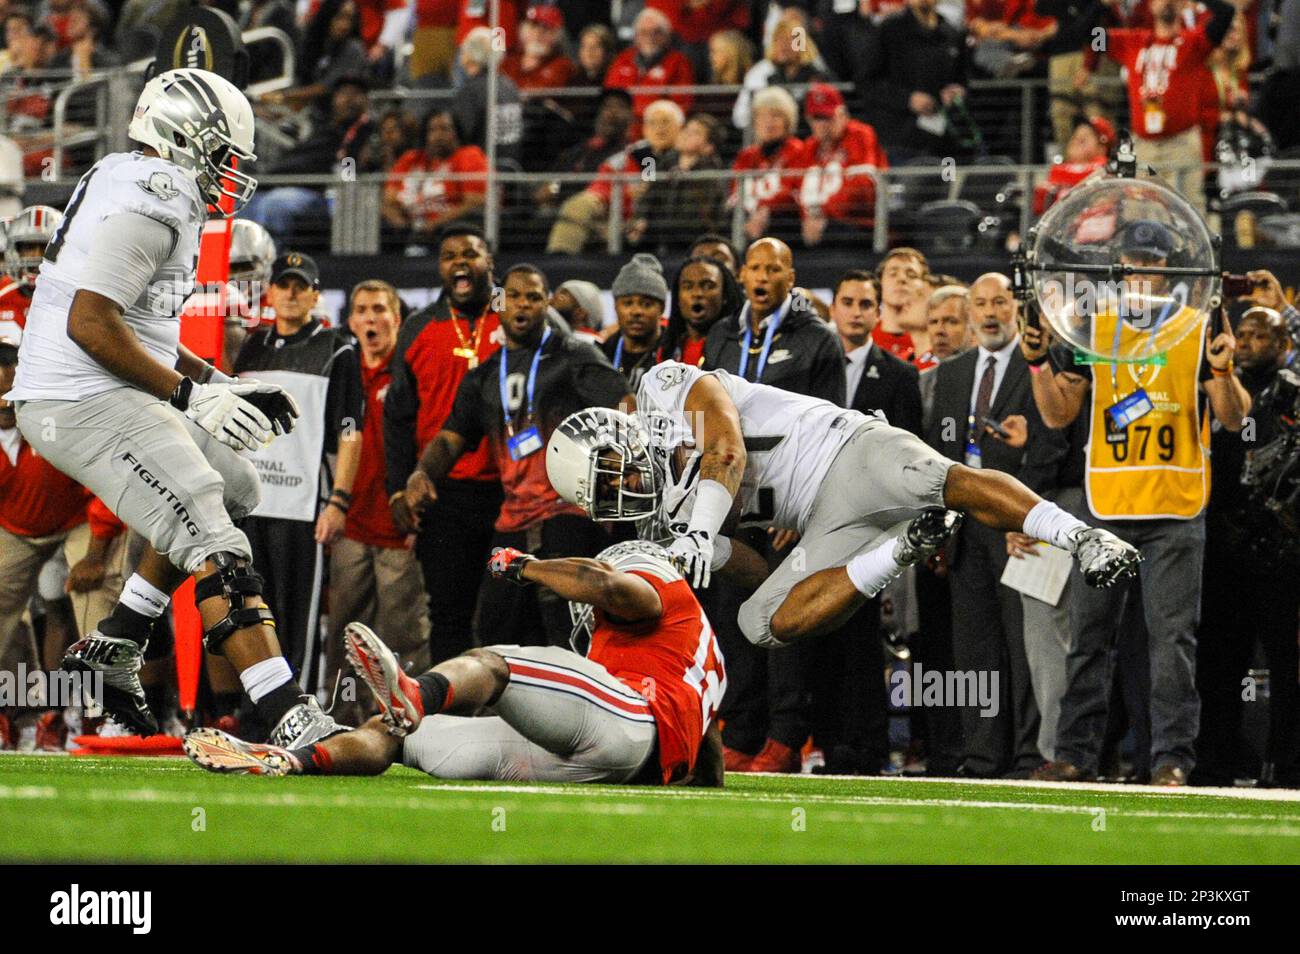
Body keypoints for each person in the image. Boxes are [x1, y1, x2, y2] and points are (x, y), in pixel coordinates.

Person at [2, 70, 341, 749]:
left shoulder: (134, 178)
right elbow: (90, 324)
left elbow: (141, 326)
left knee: (238, 488)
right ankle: (288, 715)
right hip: (78, 397)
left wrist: (216, 379)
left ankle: (121, 635)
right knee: (216, 539)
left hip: (102, 384)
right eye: (224, 153)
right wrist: (193, 397)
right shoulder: (153, 203)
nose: (232, 172)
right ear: (183, 137)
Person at [547, 355, 1142, 657]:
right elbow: (765, 574)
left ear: (619, 435)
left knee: (941, 478)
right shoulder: (665, 519)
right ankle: (900, 551)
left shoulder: (664, 387)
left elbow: (724, 451)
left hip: (847, 449)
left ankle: (1082, 537)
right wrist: (718, 550)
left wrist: (700, 532)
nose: (624, 487)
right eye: (607, 493)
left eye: (614, 470)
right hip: (822, 522)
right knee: (758, 623)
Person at [184, 540, 727, 787]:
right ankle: (296, 762)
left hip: (629, 715)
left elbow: (605, 584)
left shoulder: (664, 591)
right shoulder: (704, 658)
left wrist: (525, 567)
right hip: (621, 767)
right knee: (397, 736)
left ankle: (415, 694)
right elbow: (708, 757)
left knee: (492, 667)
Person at [1024, 218, 1251, 786]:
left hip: (1175, 506)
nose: (1141, 275)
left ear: (1170, 273)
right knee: (1088, 640)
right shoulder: (1092, 331)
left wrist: (1222, 370)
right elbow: (1058, 414)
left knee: (1172, 643)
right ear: (1118, 272)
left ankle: (1172, 759)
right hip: (1107, 503)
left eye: (1153, 266)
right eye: (1133, 265)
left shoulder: (1197, 329)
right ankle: (1074, 755)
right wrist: (1035, 363)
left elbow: (1233, 416)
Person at [404, 264, 630, 648]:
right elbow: (450, 438)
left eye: (534, 296)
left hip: (569, 513)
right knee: (494, 630)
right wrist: (423, 473)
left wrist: (615, 471)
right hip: (513, 520)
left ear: (547, 304)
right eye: (515, 296)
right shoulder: (484, 376)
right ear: (499, 301)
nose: (523, 304)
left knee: (568, 632)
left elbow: (625, 406)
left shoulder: (574, 354)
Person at [925, 272, 1045, 778]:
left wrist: (1032, 513)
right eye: (981, 303)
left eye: (1000, 301)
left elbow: (1054, 440)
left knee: (1026, 645)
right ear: (970, 312)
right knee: (974, 648)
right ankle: (981, 754)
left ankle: (1029, 754)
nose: (991, 311)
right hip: (964, 529)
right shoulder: (950, 373)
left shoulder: (1038, 364)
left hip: (1020, 527)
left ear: (1016, 308)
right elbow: (934, 454)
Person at [385, 225, 502, 665]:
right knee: (448, 613)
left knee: (503, 612)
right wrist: (398, 488)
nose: (459, 263)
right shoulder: (418, 327)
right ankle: (453, 715)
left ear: (488, 259)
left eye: (470, 253)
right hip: (443, 494)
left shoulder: (516, 314)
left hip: (509, 494)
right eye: (449, 256)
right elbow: (397, 417)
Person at [1194, 305, 1299, 786]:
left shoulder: (1293, 393)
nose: (1250, 341)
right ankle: (1215, 762)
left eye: (1263, 335)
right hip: (1221, 540)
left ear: (1284, 345)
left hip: (1281, 547)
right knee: (1218, 660)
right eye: (1246, 333)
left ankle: (1285, 766)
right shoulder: (1209, 386)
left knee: (1286, 663)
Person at [326, 280, 428, 723]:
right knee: (343, 636)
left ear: (397, 318)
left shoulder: (409, 375)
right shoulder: (342, 373)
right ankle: (341, 717)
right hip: (350, 526)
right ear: (350, 322)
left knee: (401, 635)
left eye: (380, 309)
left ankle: (410, 719)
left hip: (396, 530)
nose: (371, 318)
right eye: (362, 310)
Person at [1088, 0, 1236, 213]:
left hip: (1181, 143)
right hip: (1143, 146)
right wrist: (1103, 5)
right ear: (1150, 6)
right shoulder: (1133, 42)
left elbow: (1225, 13)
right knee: (1138, 212)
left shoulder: (1193, 42)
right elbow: (1091, 37)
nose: (1166, 2)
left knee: (1187, 213)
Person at [704, 237, 845, 405]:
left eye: (774, 269)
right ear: (742, 274)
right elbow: (702, 404)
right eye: (755, 268)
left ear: (791, 278)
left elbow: (832, 419)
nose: (762, 277)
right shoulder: (721, 333)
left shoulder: (820, 339)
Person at [861, 0, 971, 161]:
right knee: (902, 185)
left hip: (942, 142)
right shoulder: (889, 29)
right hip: (898, 139)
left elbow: (962, 79)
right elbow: (866, 81)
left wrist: (957, 92)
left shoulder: (951, 33)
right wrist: (907, 99)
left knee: (947, 183)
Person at [793, 84, 889, 249]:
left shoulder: (860, 135)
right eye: (817, 118)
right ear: (808, 120)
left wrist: (824, 212)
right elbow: (795, 187)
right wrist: (810, 217)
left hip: (858, 223)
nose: (823, 124)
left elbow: (864, 186)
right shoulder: (809, 147)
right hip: (815, 226)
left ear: (842, 115)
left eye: (828, 117)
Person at [383, 110, 488, 248]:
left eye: (445, 129)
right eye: (432, 130)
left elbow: (475, 202)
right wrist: (398, 221)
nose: (439, 136)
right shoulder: (410, 158)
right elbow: (388, 200)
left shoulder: (469, 155)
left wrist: (433, 225)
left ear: (456, 132)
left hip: (445, 231)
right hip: (406, 230)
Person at [732, 86, 807, 245]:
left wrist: (765, 209)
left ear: (788, 122)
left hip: (784, 226)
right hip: (746, 224)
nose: (768, 122)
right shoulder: (747, 156)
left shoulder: (798, 150)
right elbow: (734, 192)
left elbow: (794, 192)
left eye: (776, 116)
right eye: (762, 116)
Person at [603, 7, 695, 124]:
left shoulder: (679, 62)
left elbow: (682, 103)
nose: (650, 37)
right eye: (644, 32)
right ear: (636, 36)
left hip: (659, 127)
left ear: (667, 36)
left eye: (657, 32)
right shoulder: (622, 59)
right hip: (622, 127)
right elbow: (610, 96)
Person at [662, 254, 743, 368]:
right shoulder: (665, 348)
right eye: (688, 286)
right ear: (678, 298)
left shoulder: (740, 347)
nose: (697, 294)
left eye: (708, 286)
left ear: (724, 295)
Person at [602, 254, 668, 390]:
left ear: (662, 308)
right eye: (627, 303)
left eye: (646, 304)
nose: (636, 311)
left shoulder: (676, 351)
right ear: (615, 306)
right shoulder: (602, 354)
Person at [0, 205, 61, 347]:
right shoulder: (3, 293)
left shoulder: (74, 295)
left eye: (45, 247)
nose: (36, 256)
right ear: (15, 251)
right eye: (29, 247)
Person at [873, 247, 933, 365]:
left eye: (911, 275)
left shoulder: (933, 340)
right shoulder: (864, 337)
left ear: (925, 286)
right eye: (893, 274)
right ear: (879, 284)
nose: (901, 279)